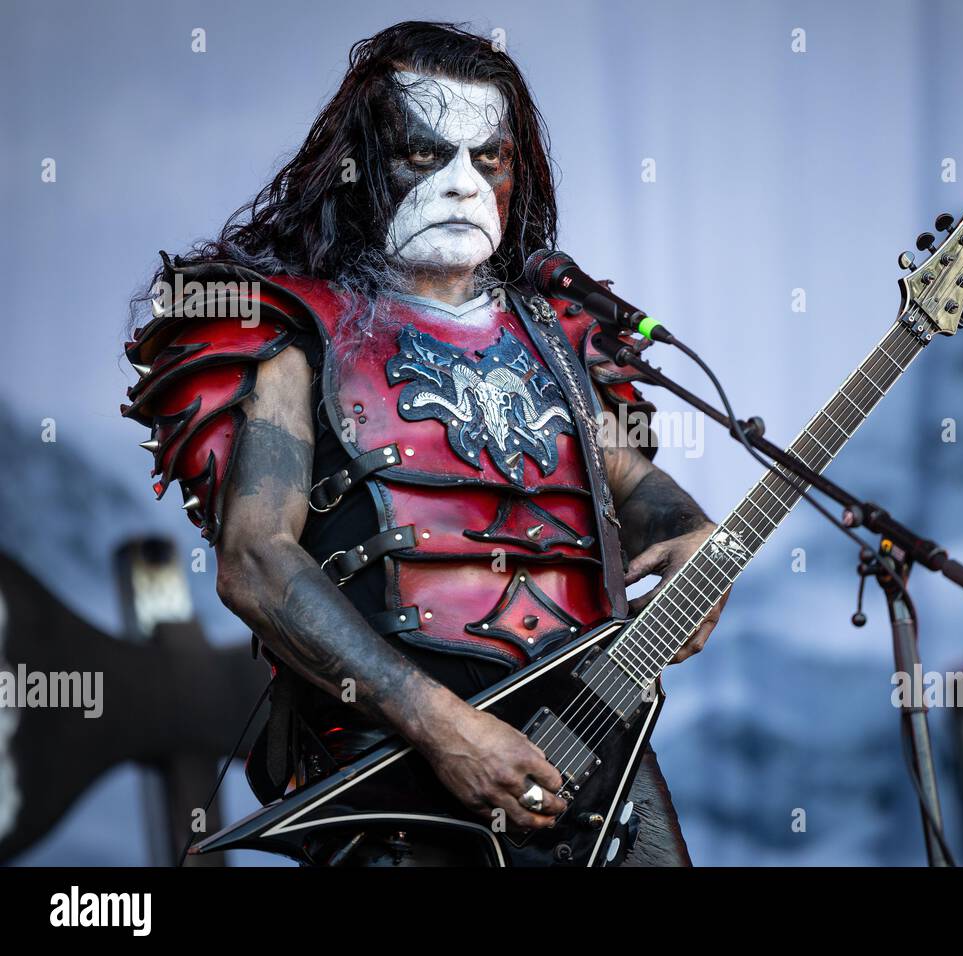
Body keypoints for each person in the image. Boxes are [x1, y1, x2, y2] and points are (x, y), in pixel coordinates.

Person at [121, 21, 727, 866]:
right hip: (400, 778)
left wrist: (692, 534)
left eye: (490, 158)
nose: (461, 184)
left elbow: (639, 488)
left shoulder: (561, 335)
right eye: (423, 155)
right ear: (363, 166)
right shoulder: (293, 332)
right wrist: (447, 729)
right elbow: (255, 560)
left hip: (596, 757)